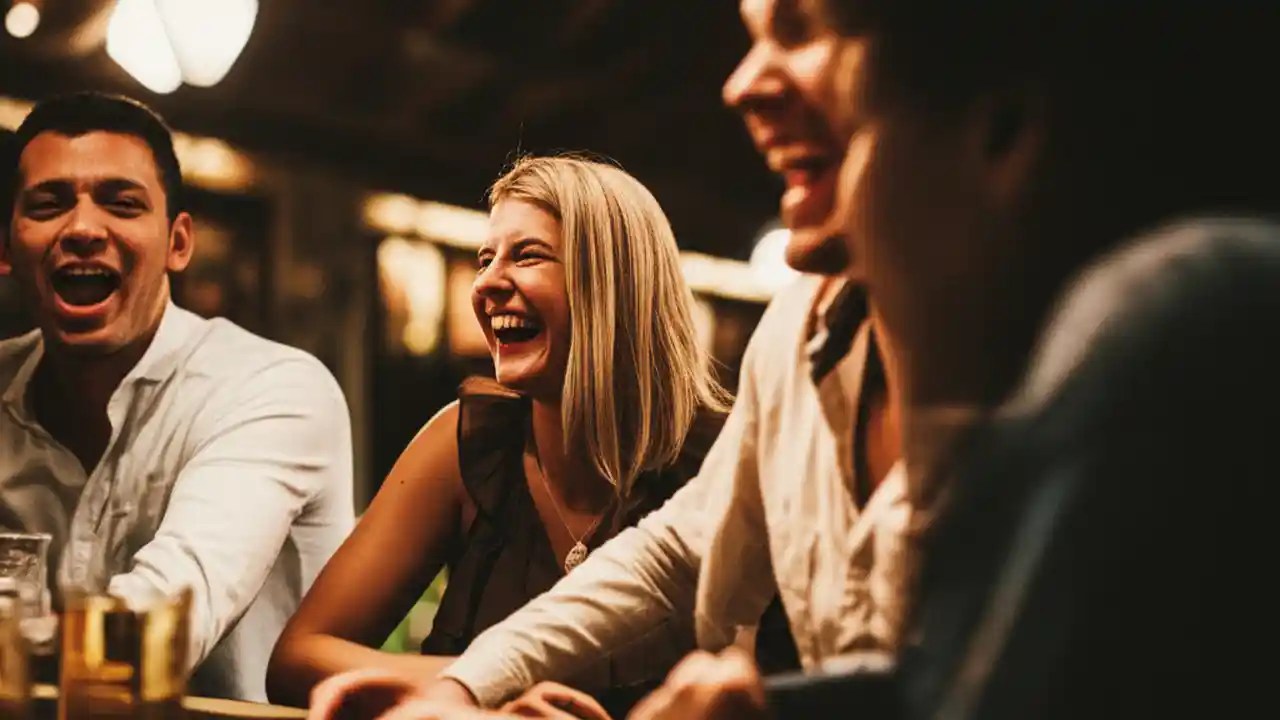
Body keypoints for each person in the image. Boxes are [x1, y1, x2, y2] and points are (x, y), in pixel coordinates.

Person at [624, 1, 1280, 718]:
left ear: (1000, 136)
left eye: (867, 137)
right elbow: (964, 669)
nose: (862, 198)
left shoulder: (1173, 320)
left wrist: (932, 363)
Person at [306, 0, 912, 716]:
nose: (742, 83)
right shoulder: (793, 333)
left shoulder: (1049, 354)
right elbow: (673, 556)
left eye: (801, 31)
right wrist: (466, 687)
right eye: (482, 257)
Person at [268, 155, 730, 716]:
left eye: (527, 255)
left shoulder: (725, 462)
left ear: (612, 282)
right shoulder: (467, 444)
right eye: (486, 259)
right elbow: (296, 660)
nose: (486, 282)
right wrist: (480, 689)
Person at [0, 92, 354, 701]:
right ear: (5, 249)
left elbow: (147, 637)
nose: (83, 228)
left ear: (178, 244)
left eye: (122, 203)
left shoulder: (271, 389)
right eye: (50, 203)